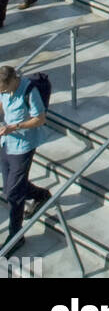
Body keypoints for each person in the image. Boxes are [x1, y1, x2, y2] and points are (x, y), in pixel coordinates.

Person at [0, 65, 50, 246]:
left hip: (23, 146)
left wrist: (14, 127)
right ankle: (41, 195)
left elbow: (40, 119)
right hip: (6, 143)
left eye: (3, 89)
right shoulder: (4, 90)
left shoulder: (29, 91)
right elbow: (2, 104)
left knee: (14, 194)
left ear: (12, 81)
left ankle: (16, 236)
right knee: (9, 187)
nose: (2, 92)